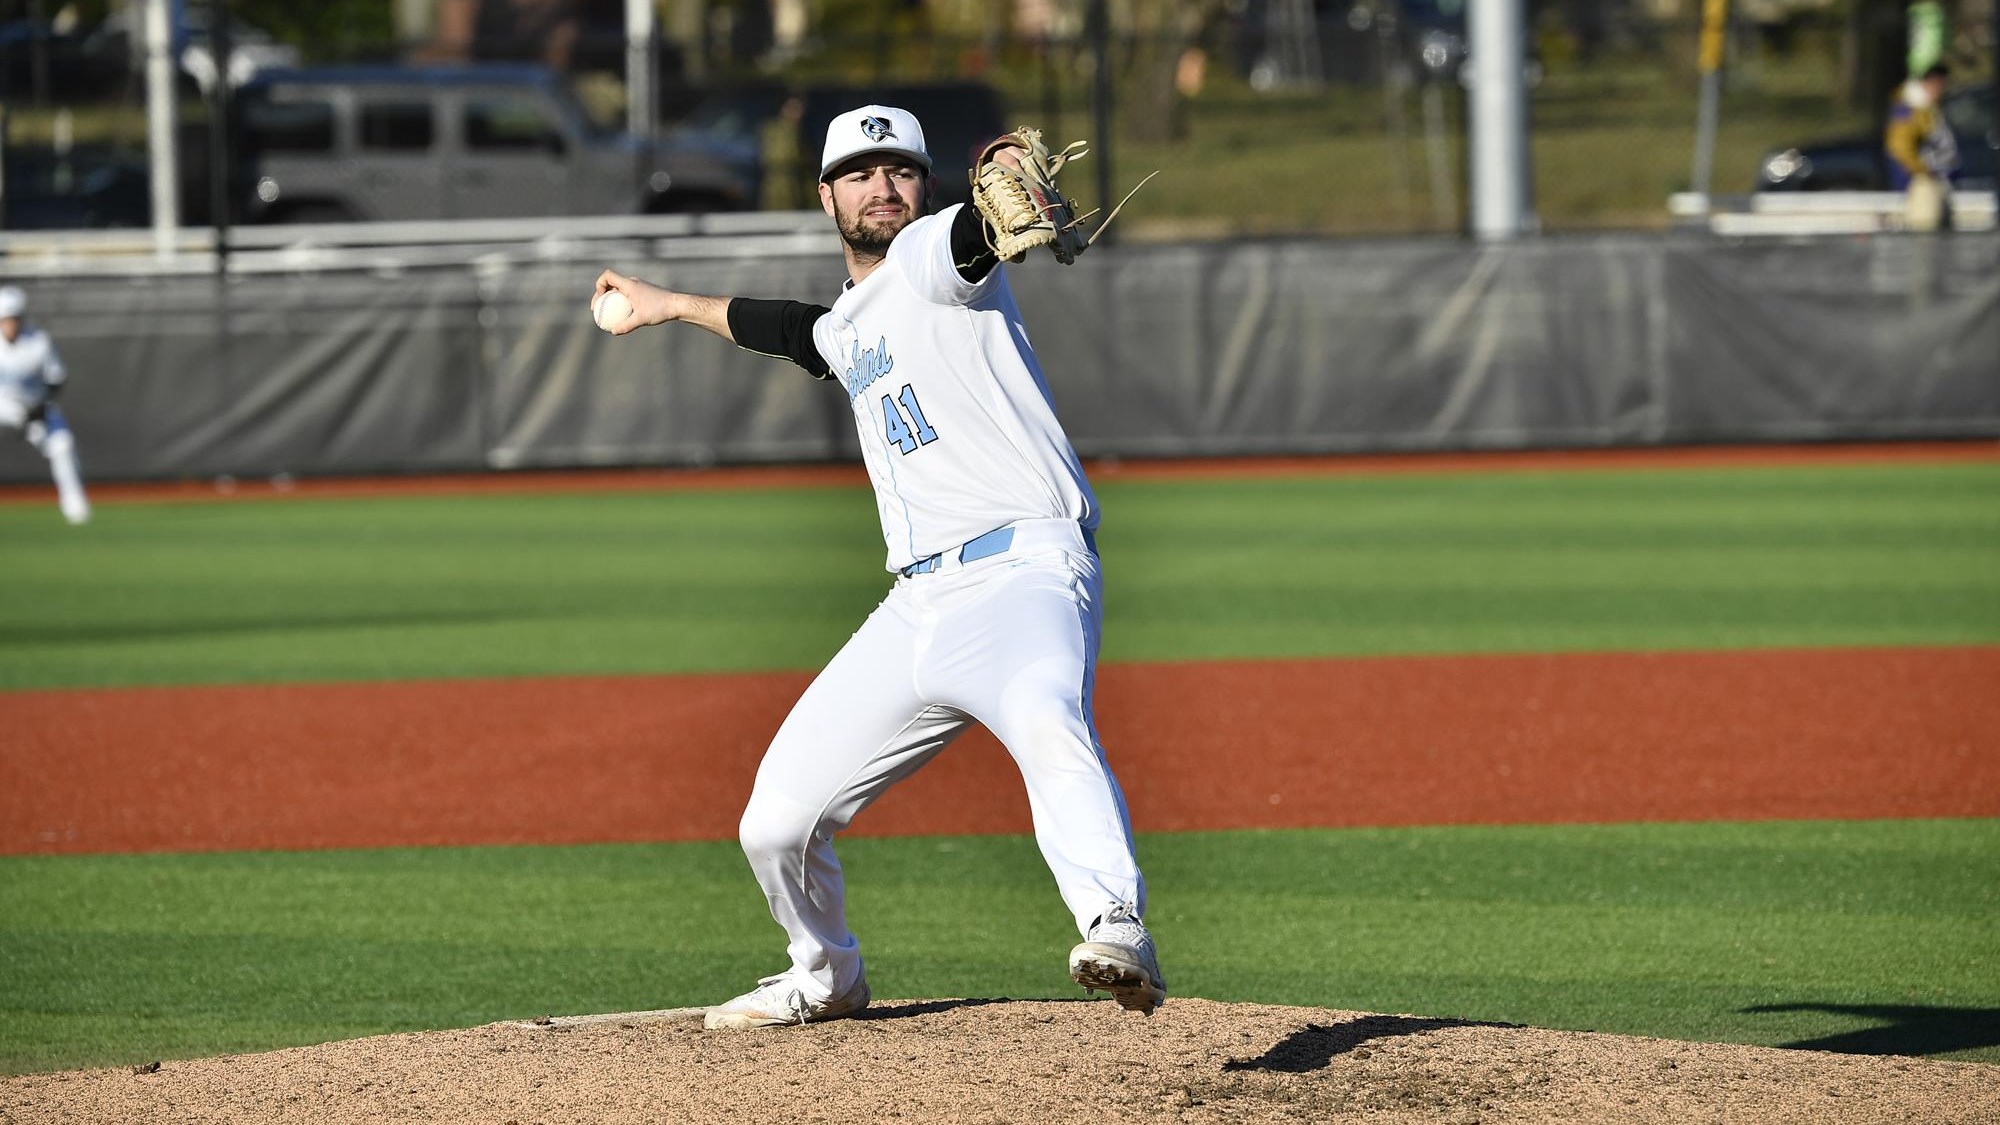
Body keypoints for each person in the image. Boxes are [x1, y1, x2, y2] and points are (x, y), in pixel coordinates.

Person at [594, 105, 1165, 1029]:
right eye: (859, 173)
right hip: (917, 606)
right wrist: (669, 306)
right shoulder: (855, 322)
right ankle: (825, 974)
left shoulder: (934, 262)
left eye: (900, 169)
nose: (882, 186)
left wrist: (1007, 180)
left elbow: (977, 238)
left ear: (927, 188)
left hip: (1023, 571)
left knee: (1047, 719)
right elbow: (791, 328)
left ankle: (1115, 924)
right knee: (774, 822)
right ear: (826, 196)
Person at [0, 286, 90, 525]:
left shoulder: (38, 341)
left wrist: (42, 404)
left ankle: (74, 506)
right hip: (3, 406)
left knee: (62, 444)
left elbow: (56, 378)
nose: (10, 325)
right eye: (5, 320)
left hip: (34, 406)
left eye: (14, 319)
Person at [1884, 63, 1959, 232]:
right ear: (1931, 82)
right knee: (1925, 239)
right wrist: (1923, 170)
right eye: (1941, 85)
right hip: (1922, 185)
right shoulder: (1910, 107)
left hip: (1937, 182)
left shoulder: (1928, 107)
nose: (1942, 90)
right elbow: (1898, 146)